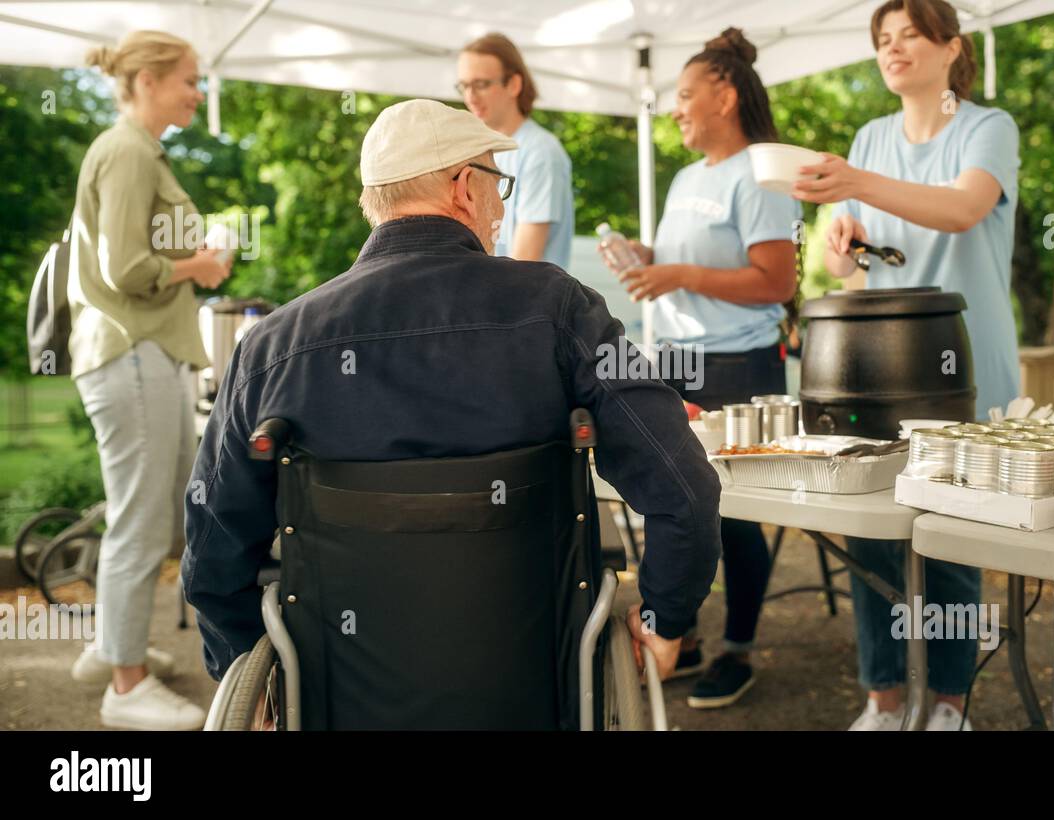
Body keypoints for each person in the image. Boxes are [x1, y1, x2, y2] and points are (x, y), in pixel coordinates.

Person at [183, 99, 721, 693]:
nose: (501, 207)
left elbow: (212, 543)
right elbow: (684, 488)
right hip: (538, 685)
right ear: (466, 186)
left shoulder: (270, 346)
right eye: (499, 184)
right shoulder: (559, 309)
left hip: (341, 692)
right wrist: (664, 621)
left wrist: (243, 668)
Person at [793, 0, 1021, 731]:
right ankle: (885, 700)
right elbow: (854, 267)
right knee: (872, 534)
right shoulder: (869, 138)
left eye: (910, 36)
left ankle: (948, 702)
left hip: (963, 369)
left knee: (950, 539)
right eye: (882, 40)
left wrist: (857, 186)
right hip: (878, 375)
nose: (892, 49)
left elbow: (961, 209)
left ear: (951, 48)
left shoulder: (988, 128)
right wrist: (843, 247)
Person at [599, 28, 800, 710]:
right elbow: (691, 255)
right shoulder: (688, 177)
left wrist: (679, 271)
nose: (676, 108)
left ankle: (737, 648)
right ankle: (677, 637)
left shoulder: (763, 172)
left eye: (685, 95)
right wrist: (645, 254)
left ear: (726, 93)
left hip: (741, 364)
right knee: (675, 501)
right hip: (678, 359)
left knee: (735, 511)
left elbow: (775, 279)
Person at [67, 30, 231, 731]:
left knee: (157, 511)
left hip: (143, 353)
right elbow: (125, 269)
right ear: (147, 82)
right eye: (189, 79)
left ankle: (115, 645)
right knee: (143, 519)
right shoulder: (129, 151)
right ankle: (125, 688)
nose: (198, 91)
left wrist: (195, 261)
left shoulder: (139, 150)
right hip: (132, 351)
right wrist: (201, 264)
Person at [458, 32, 574, 268]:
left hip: (525, 302)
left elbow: (523, 264)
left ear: (513, 84)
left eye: (481, 84)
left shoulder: (540, 152)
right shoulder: (479, 152)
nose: (470, 96)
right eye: (464, 86)